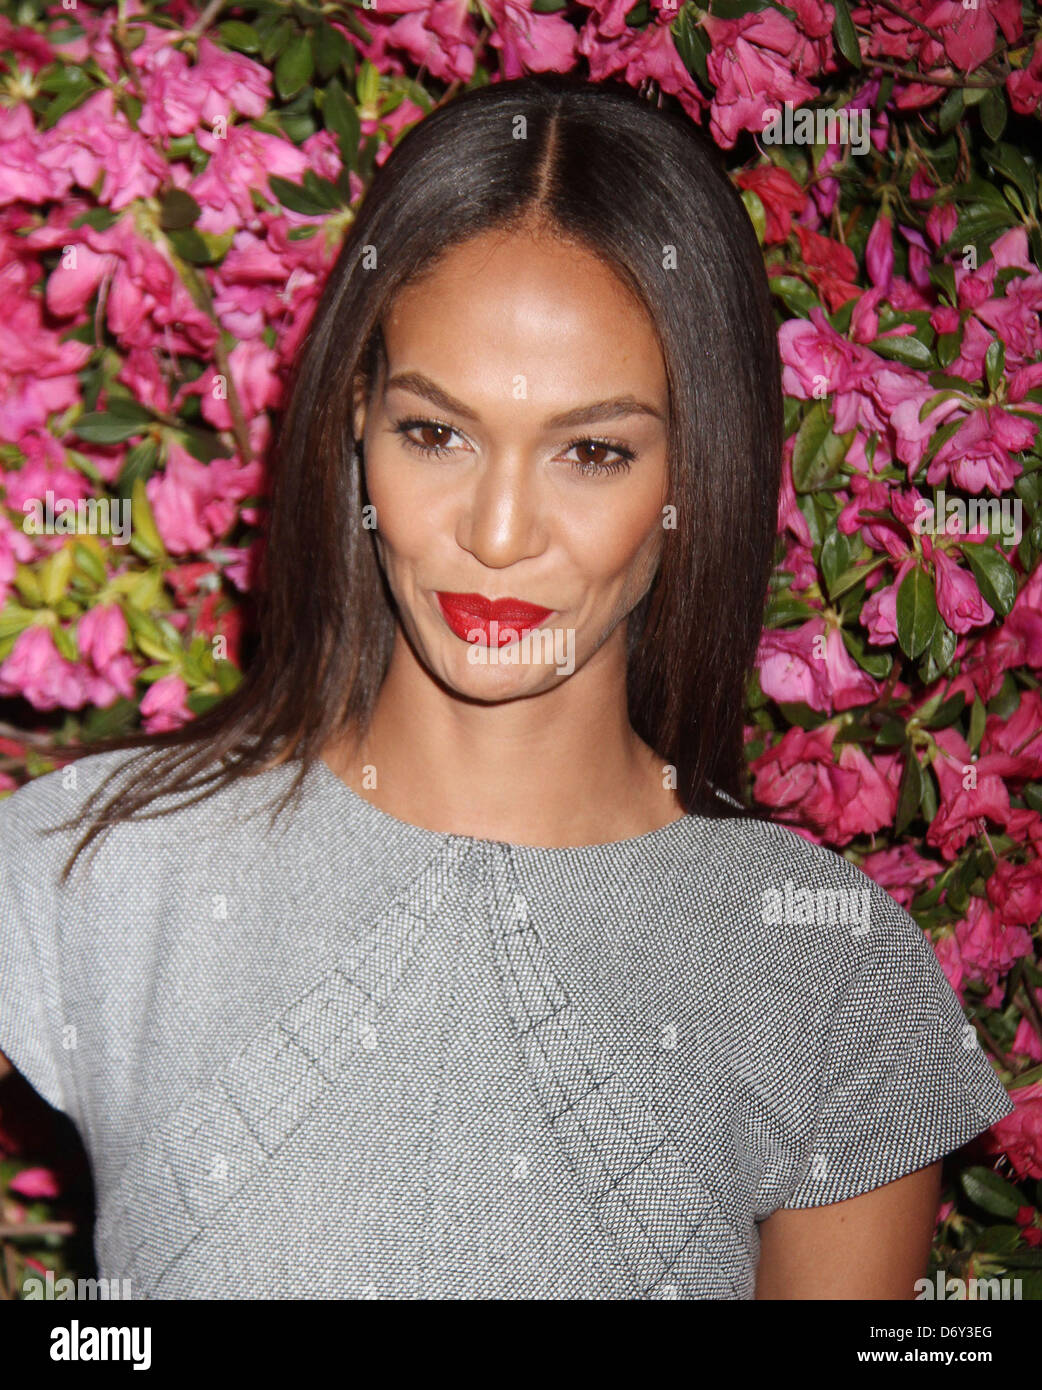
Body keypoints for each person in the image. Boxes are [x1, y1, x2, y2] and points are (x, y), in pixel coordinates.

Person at [0, 73, 1012, 1300]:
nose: (495, 531)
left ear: (697, 470)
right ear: (356, 419)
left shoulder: (828, 974)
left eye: (591, 452)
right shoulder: (90, 870)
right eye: (437, 432)